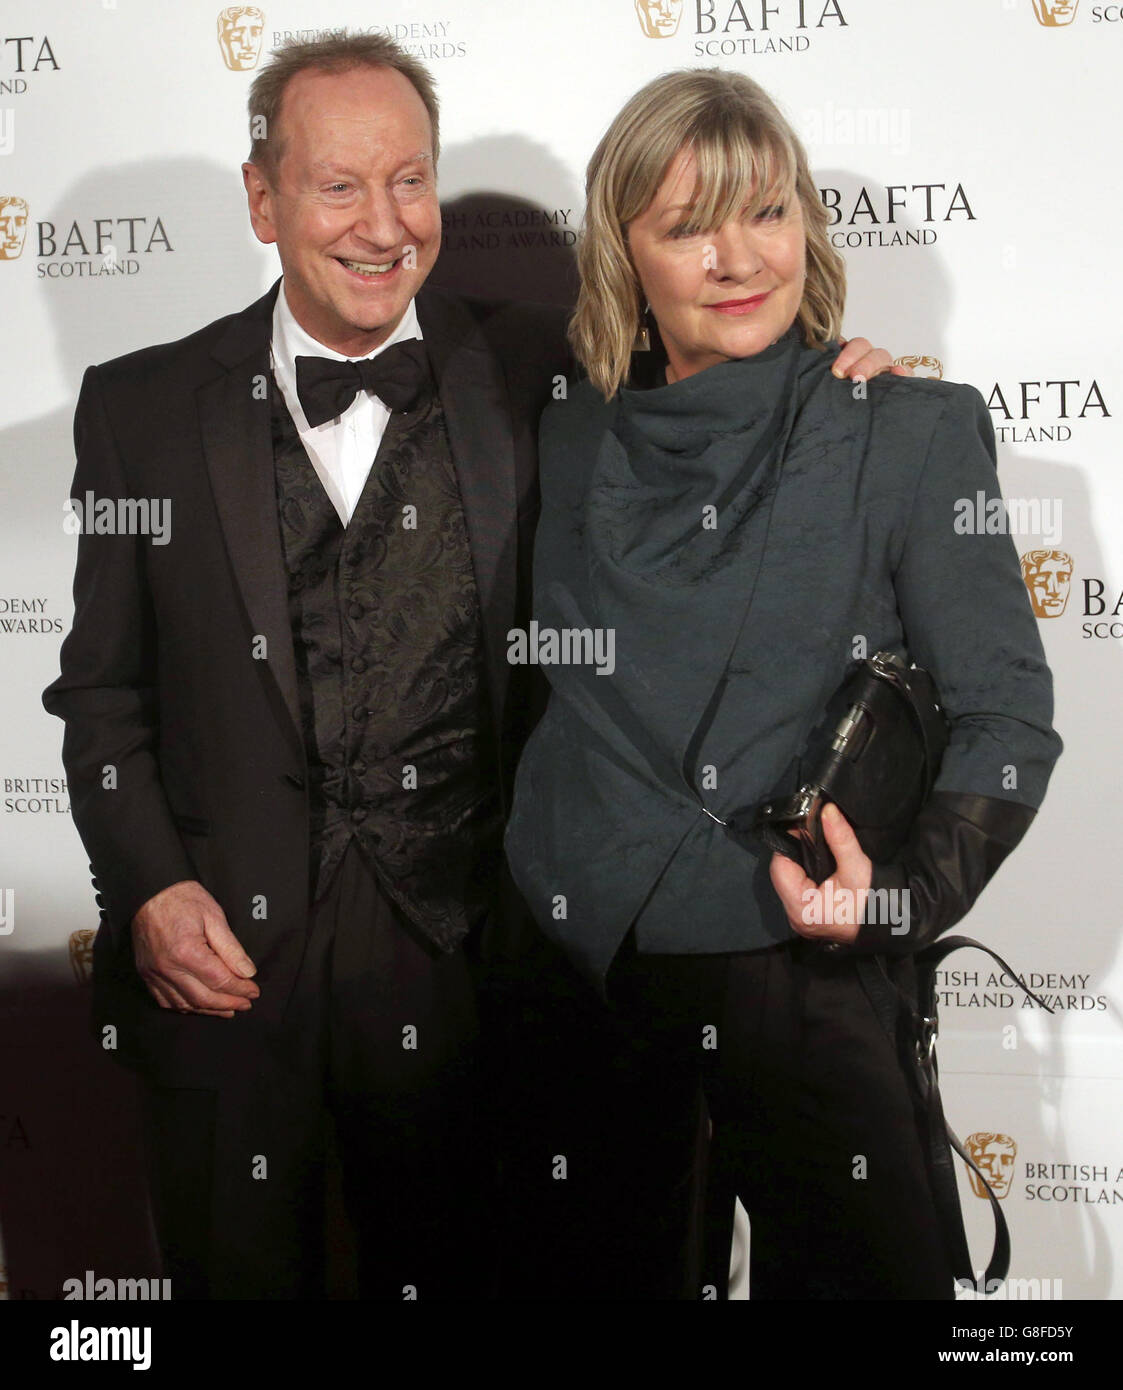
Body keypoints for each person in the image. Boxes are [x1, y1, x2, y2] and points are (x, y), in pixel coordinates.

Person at [42, 33, 896, 1300]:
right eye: (339, 187)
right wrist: (155, 887)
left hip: (476, 971)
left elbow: (726, 383)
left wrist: (849, 391)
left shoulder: (550, 369)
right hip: (224, 969)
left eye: (411, 181)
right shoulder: (141, 408)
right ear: (262, 196)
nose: (385, 226)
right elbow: (102, 694)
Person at [505, 68, 1062, 1300]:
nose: (735, 255)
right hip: (581, 973)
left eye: (765, 210)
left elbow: (1008, 718)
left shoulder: (906, 427)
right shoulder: (569, 431)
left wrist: (896, 900)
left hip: (800, 963)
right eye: (686, 224)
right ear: (624, 256)